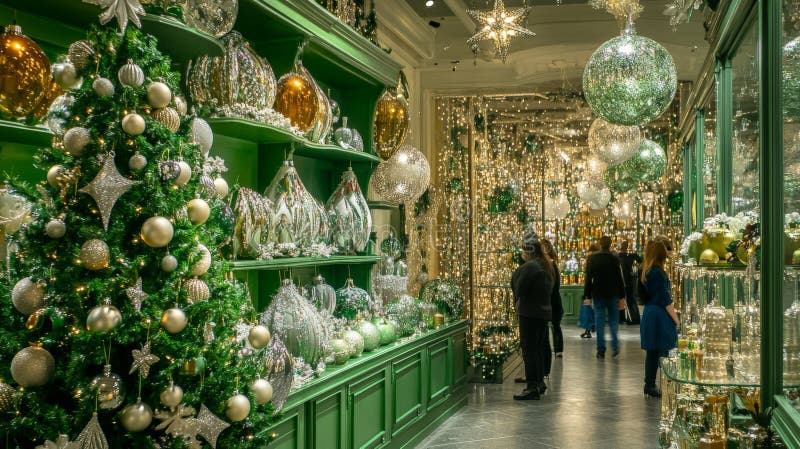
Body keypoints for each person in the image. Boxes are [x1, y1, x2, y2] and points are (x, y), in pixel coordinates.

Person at [511, 231, 555, 400]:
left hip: (530, 313)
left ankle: (531, 387)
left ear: (527, 250)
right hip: (543, 312)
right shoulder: (545, 265)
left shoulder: (530, 267)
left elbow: (518, 287)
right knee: (537, 349)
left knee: (529, 350)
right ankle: (538, 383)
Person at [639, 238, 679, 398]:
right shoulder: (657, 272)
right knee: (664, 350)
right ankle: (668, 382)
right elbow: (665, 299)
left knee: (652, 352)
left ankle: (649, 384)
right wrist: (676, 318)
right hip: (659, 315)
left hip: (650, 312)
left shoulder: (646, 270)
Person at [583, 235, 626, 358]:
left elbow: (588, 278)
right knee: (613, 321)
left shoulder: (592, 258)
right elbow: (619, 279)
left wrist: (587, 294)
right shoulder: (614, 259)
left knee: (600, 322)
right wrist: (622, 295)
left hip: (598, 294)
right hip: (613, 294)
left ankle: (600, 350)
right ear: (610, 244)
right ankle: (615, 347)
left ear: (600, 244)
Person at [542, 239, 564, 373]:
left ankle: (558, 349)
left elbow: (556, 285)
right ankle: (556, 350)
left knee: (555, 326)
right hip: (551, 300)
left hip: (552, 300)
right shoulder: (549, 264)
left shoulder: (551, 264)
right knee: (552, 326)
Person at [578, 242, 600, 338]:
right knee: (596, 310)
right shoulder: (599, 260)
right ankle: (593, 326)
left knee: (587, 309)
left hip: (590, 290)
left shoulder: (590, 260)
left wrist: (586, 293)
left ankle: (588, 330)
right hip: (599, 289)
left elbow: (588, 278)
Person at [617, 240, 642, 324]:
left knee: (622, 299)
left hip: (621, 281)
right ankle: (633, 317)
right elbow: (640, 261)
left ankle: (623, 318)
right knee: (631, 299)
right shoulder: (631, 256)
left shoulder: (618, 257)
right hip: (629, 281)